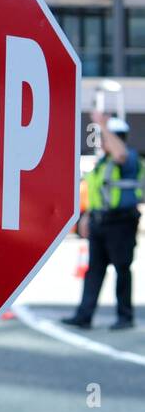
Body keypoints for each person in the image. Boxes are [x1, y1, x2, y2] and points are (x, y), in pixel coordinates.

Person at [63, 113, 141, 331]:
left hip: (121, 223)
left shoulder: (129, 158)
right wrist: (88, 217)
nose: (102, 141)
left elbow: (122, 155)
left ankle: (125, 317)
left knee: (121, 269)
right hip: (100, 222)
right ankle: (84, 316)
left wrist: (103, 125)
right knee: (94, 270)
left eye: (106, 137)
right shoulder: (102, 163)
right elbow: (97, 193)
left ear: (117, 137)